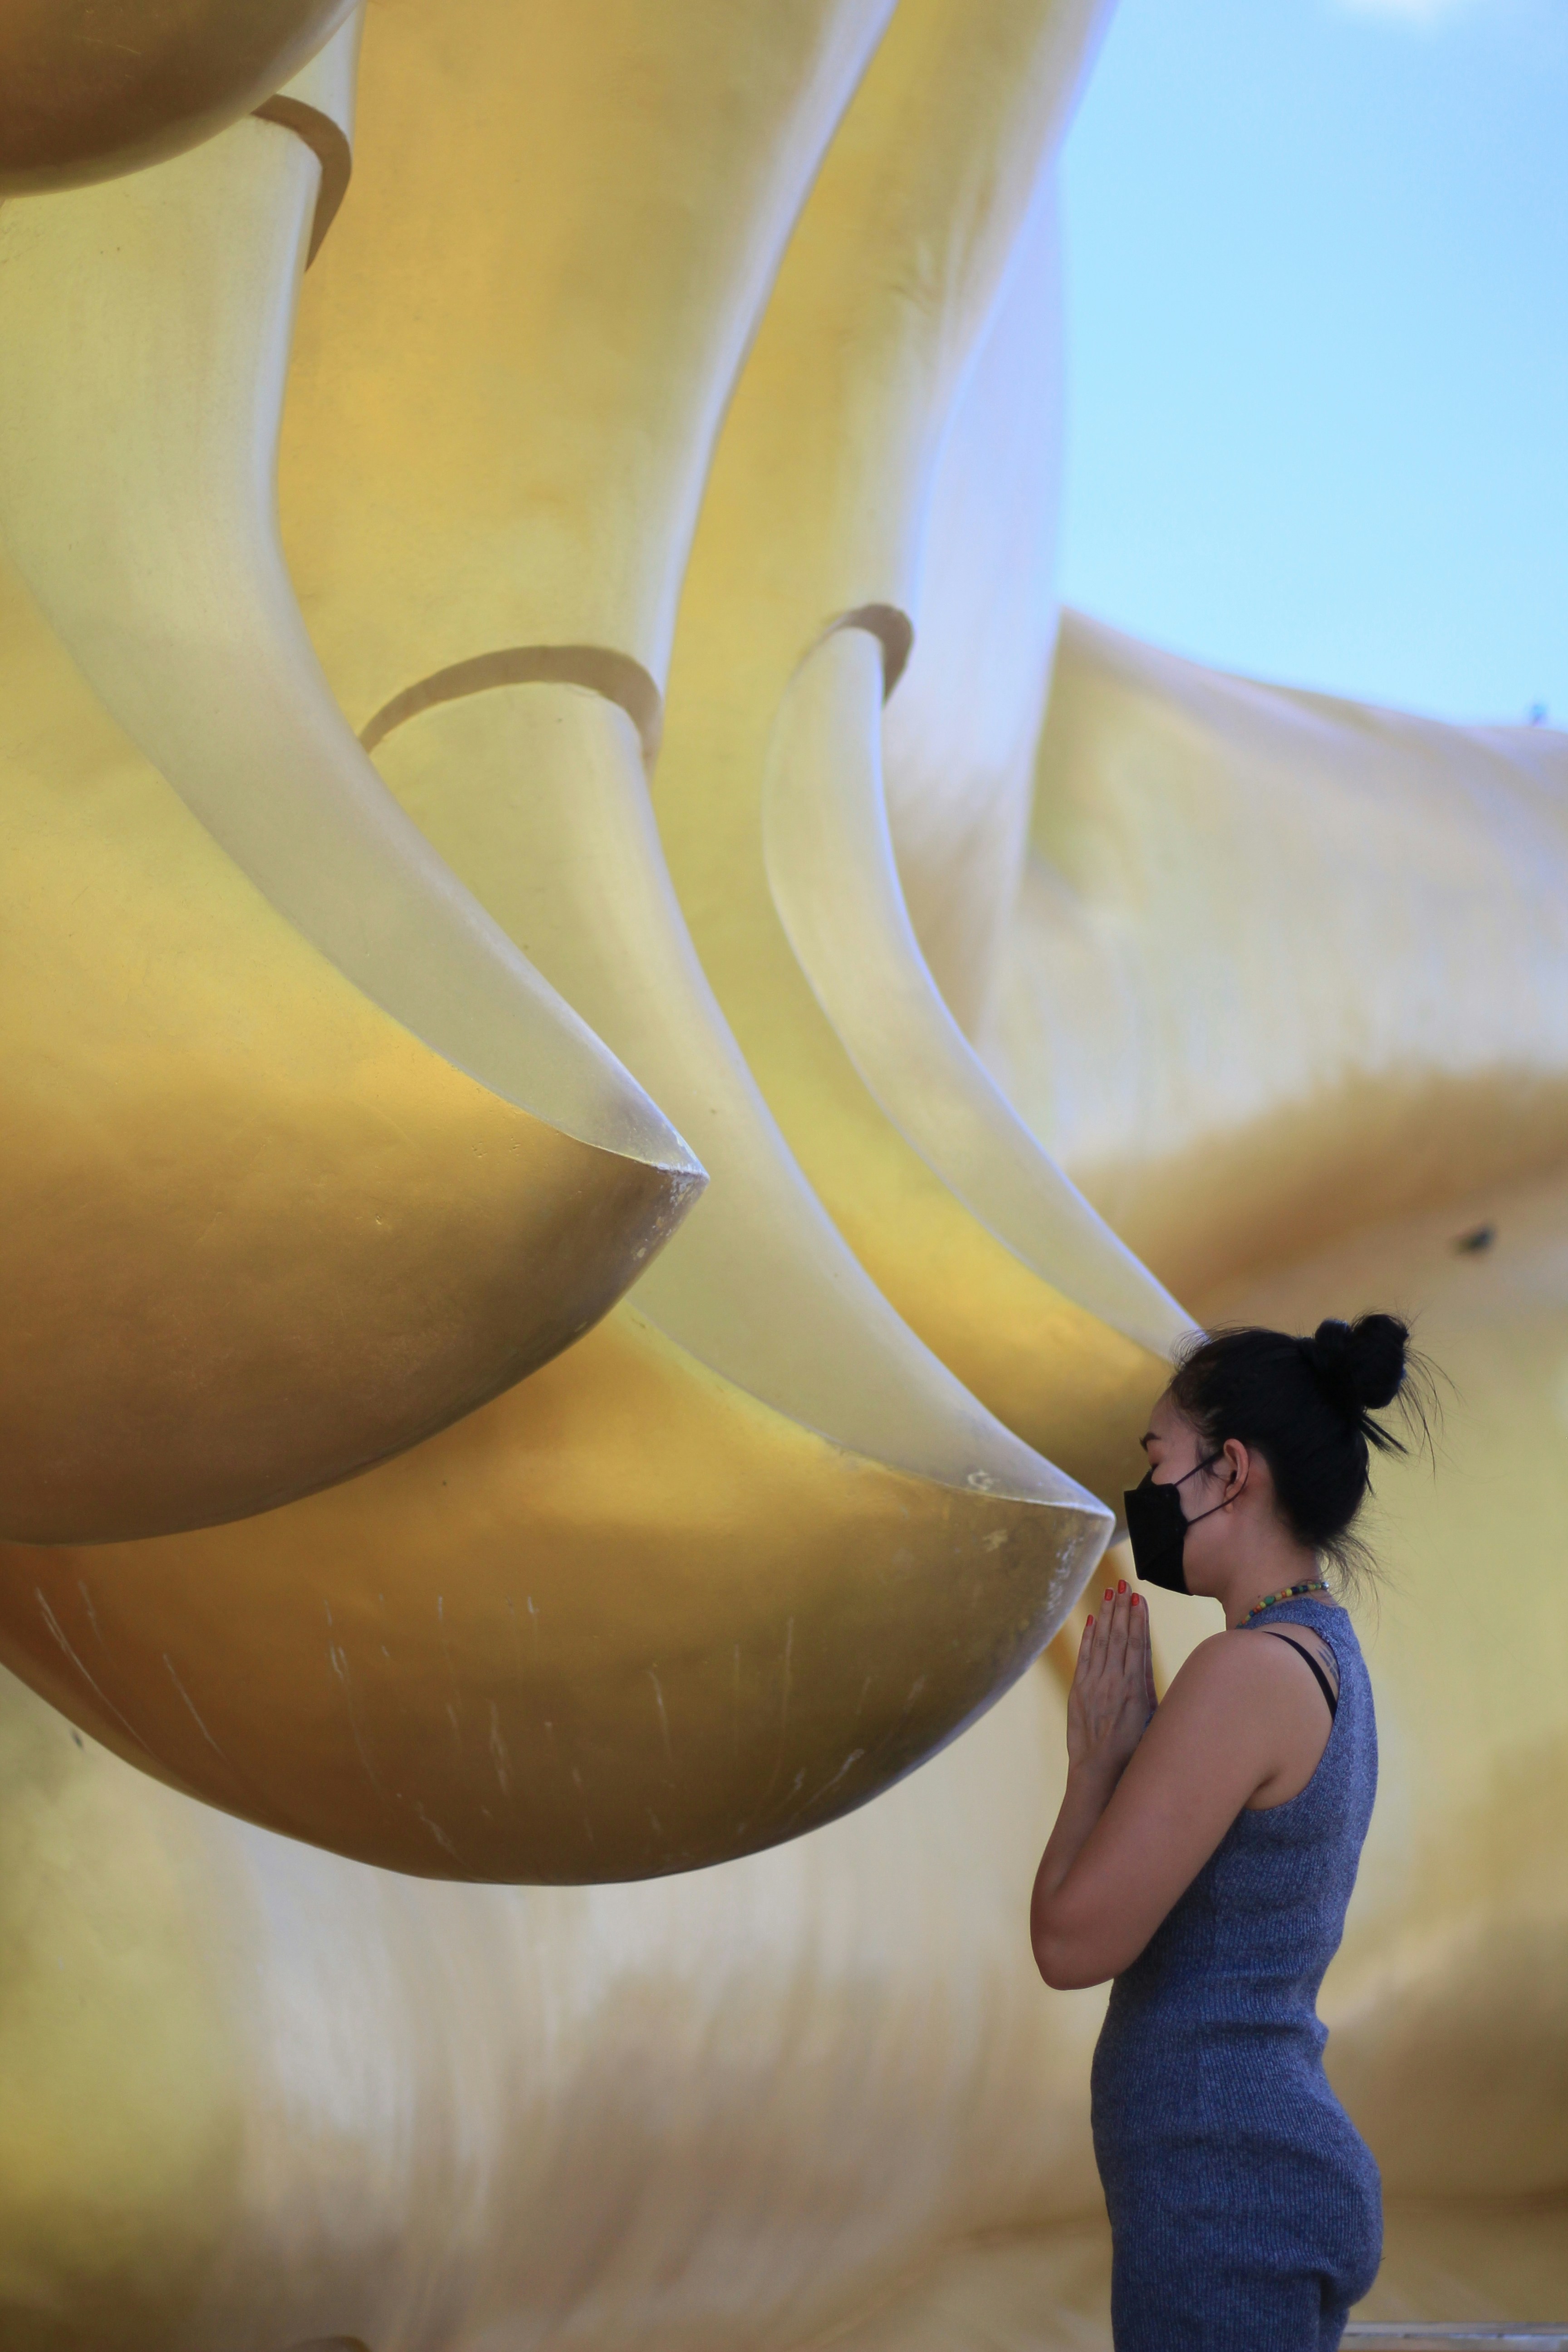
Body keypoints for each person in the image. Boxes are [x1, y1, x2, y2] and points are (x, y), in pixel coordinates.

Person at [1029, 1312, 1434, 2352]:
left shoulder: (1248, 1674)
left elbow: (1073, 1943)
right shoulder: (1314, 1651)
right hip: (1246, 2178)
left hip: (1227, 2199)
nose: (1144, 1495)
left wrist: (1097, 1766)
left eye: (1157, 1459)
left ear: (1230, 1471)